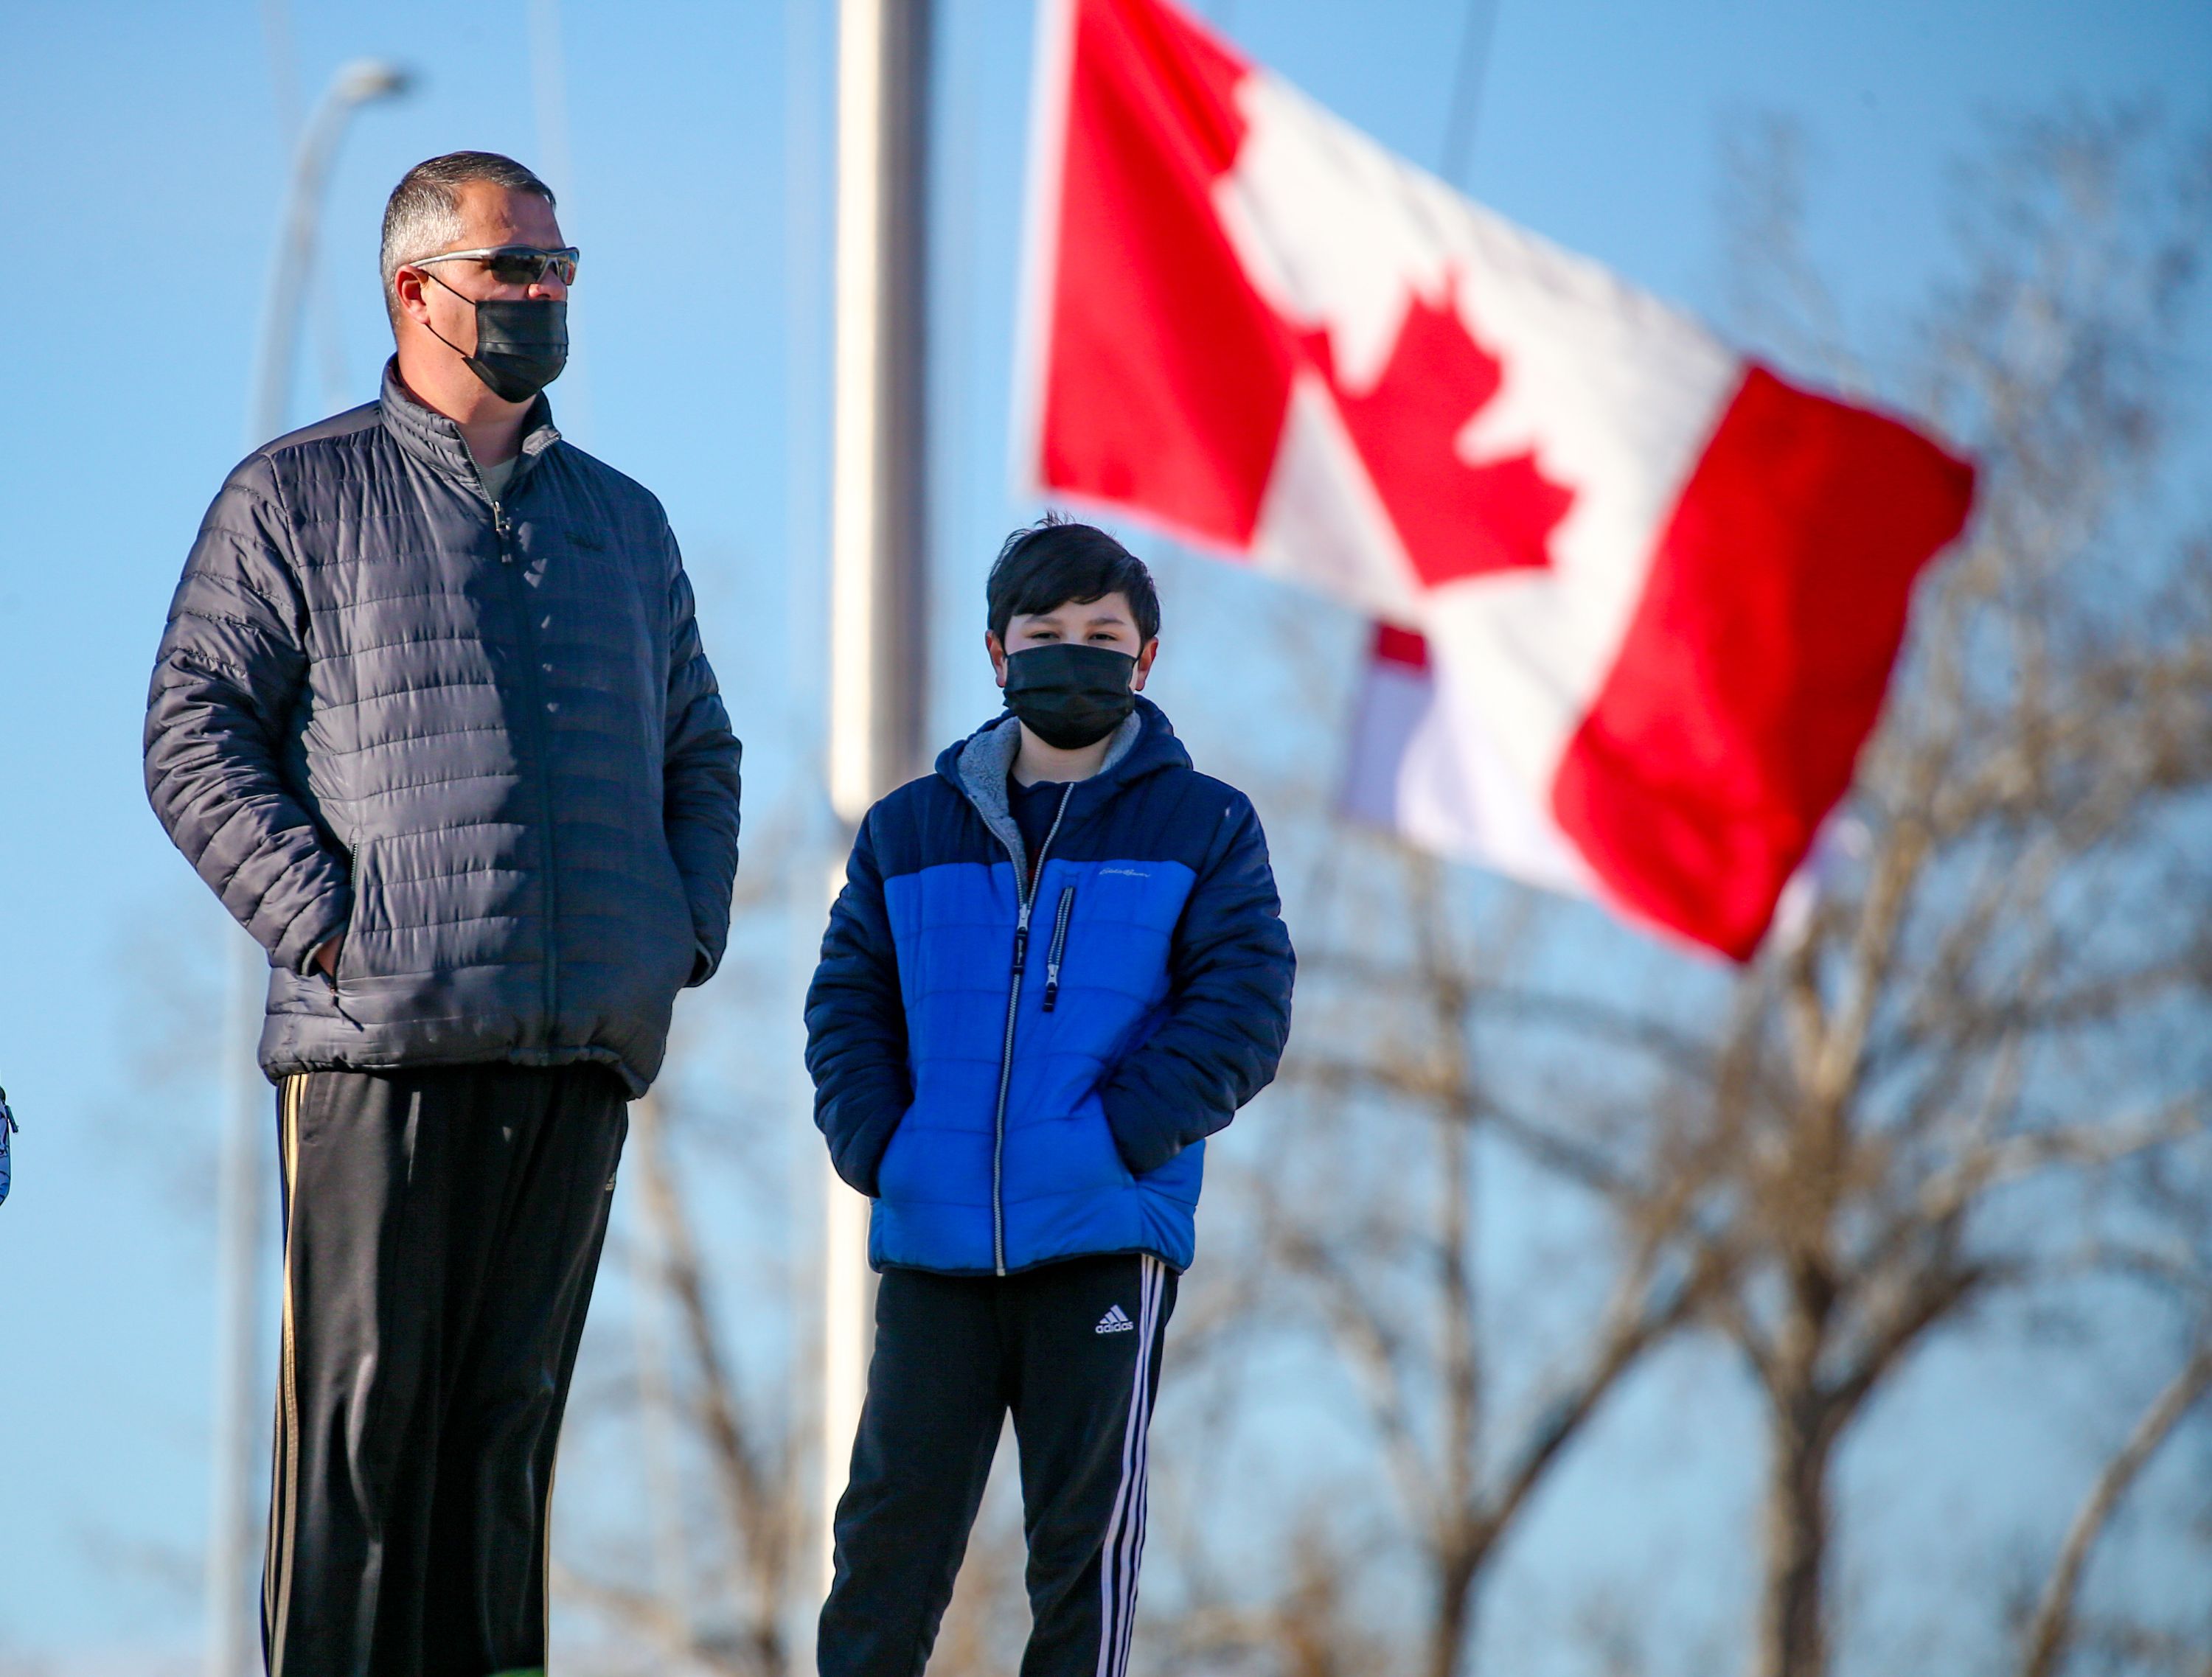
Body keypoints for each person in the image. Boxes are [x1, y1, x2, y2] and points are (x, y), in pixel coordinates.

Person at [144, 151, 741, 1677]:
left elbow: (701, 751)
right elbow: (191, 732)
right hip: (378, 1048)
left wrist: (670, 938)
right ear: (416, 290)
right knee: (359, 1439)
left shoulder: (626, 524)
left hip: (575, 1048)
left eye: (559, 269)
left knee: (506, 1442)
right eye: (512, 269)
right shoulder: (294, 495)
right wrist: (333, 930)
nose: (545, 294)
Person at [806, 517, 1295, 1676]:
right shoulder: (906, 830)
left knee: (1082, 1556)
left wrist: (1113, 1140)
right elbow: (848, 1000)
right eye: (1045, 633)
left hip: (1100, 1235)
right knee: (883, 1551)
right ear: (996, 652)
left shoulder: (1206, 823)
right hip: (935, 1246)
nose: (1074, 653)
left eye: (1103, 636)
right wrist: (883, 1147)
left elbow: (1243, 1006)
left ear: (1146, 657)